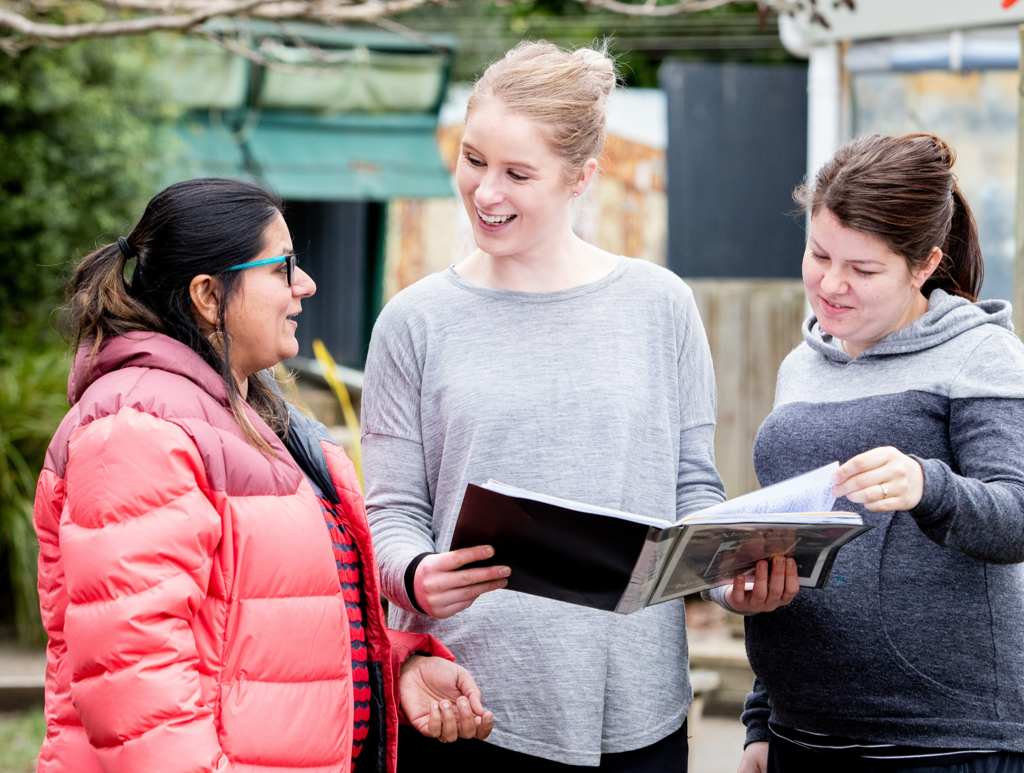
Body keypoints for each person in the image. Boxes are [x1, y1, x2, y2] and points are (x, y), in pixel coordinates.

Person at [361, 40, 797, 771]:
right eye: (472, 159)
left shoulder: (662, 306)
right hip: (467, 704)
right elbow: (390, 511)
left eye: (516, 173)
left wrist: (730, 576)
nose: (484, 191)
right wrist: (414, 573)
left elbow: (691, 489)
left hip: (637, 707)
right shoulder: (413, 321)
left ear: (581, 178)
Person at [34, 177, 493, 773]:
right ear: (207, 293)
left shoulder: (262, 421)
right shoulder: (137, 430)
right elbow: (136, 681)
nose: (305, 285)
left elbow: (268, 619)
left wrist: (392, 669)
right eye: (283, 268)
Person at [715, 133, 1024, 773]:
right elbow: (794, 545)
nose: (831, 284)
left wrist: (930, 485)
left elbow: (1020, 520)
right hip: (800, 734)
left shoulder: (984, 357)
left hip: (944, 741)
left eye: (864, 270)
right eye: (819, 255)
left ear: (924, 265)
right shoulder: (802, 365)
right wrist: (761, 720)